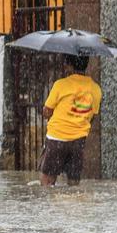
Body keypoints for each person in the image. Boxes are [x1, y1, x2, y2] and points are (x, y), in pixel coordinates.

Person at [40, 54, 102, 186]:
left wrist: (48, 113)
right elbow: (93, 116)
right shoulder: (95, 89)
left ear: (69, 65)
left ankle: (47, 207)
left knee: (47, 180)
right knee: (74, 182)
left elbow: (47, 111)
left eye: (66, 63)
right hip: (78, 141)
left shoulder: (60, 85)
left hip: (56, 138)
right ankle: (74, 206)